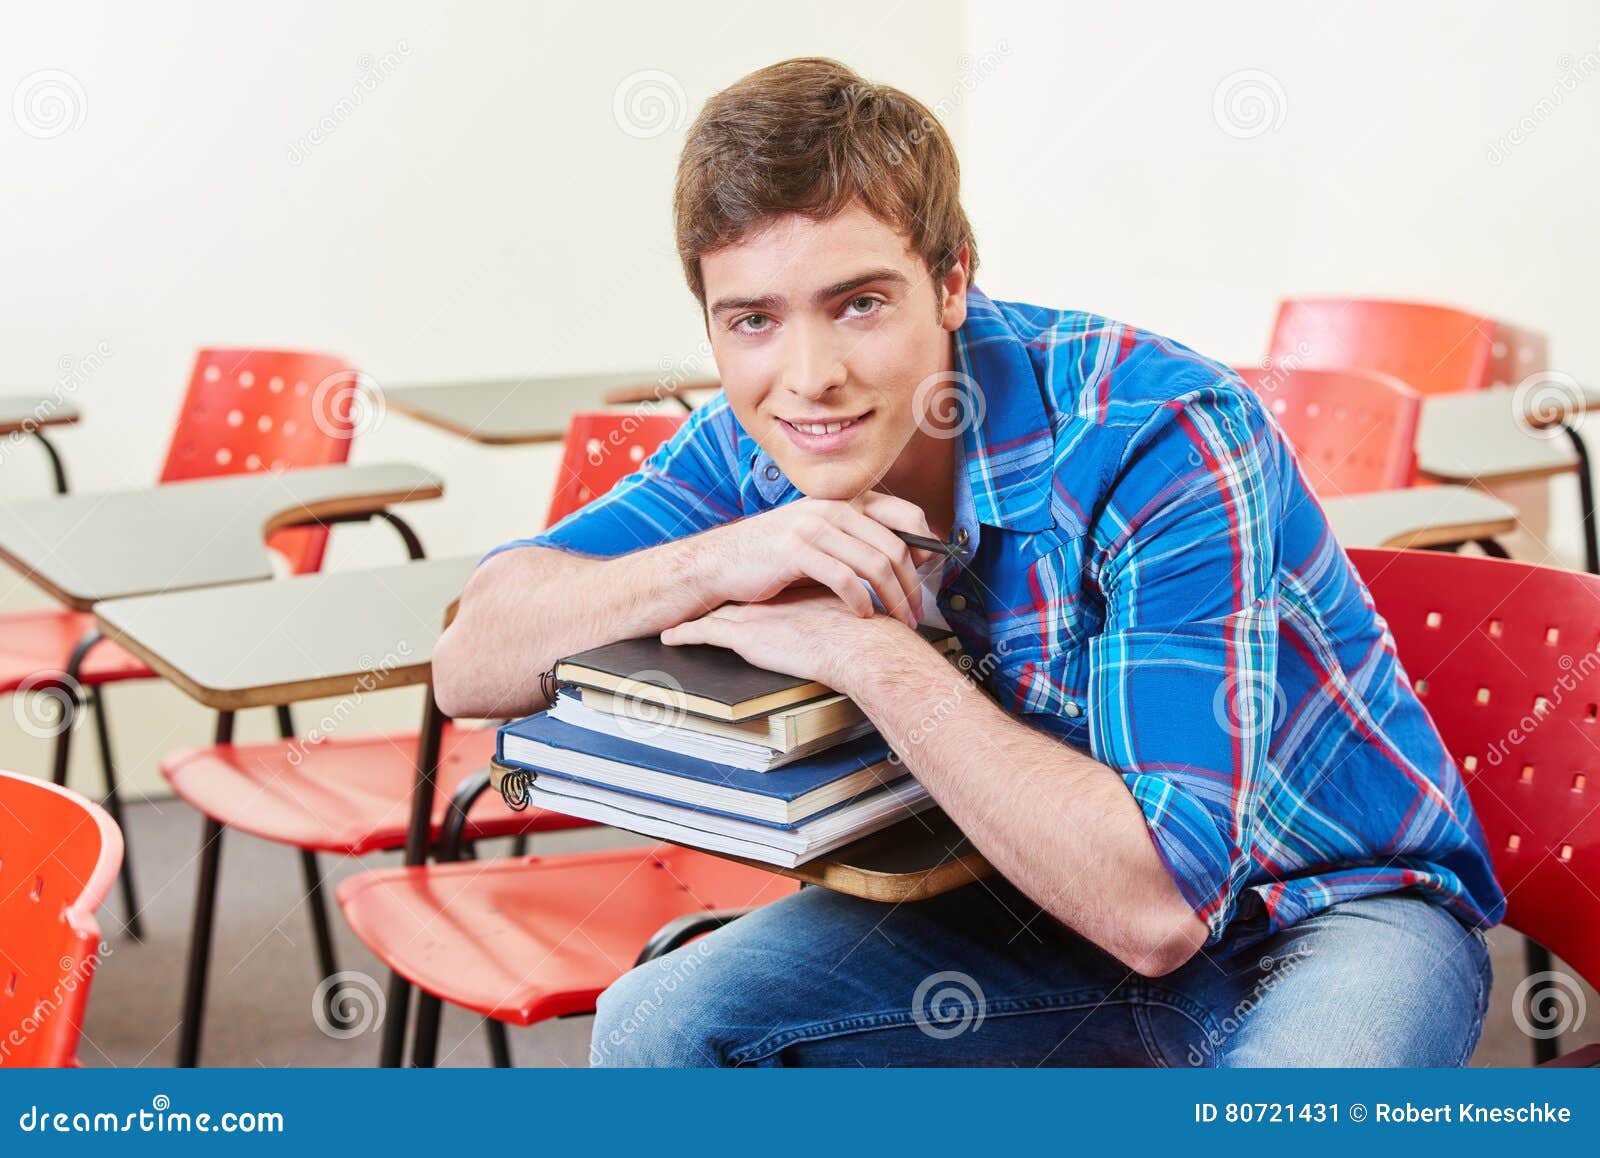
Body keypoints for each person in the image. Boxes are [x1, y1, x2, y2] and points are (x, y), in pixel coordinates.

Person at [433, 57, 1503, 1067]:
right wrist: (715, 558)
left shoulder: (1157, 434)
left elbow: (1158, 907)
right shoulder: (761, 437)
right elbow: (472, 661)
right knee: (661, 1021)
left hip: (1330, 910)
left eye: (858, 303)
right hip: (1041, 915)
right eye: (752, 320)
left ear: (949, 282)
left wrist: (876, 661)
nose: (809, 375)